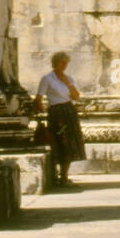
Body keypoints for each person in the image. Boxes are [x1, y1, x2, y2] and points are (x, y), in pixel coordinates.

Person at [36, 51, 85, 187]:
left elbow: (76, 96)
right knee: (60, 142)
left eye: (66, 62)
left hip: (69, 111)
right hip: (56, 113)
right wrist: (43, 112)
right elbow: (39, 98)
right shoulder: (47, 79)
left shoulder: (68, 78)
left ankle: (65, 176)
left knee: (70, 144)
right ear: (55, 63)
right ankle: (57, 175)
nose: (63, 65)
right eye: (61, 62)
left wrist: (68, 83)